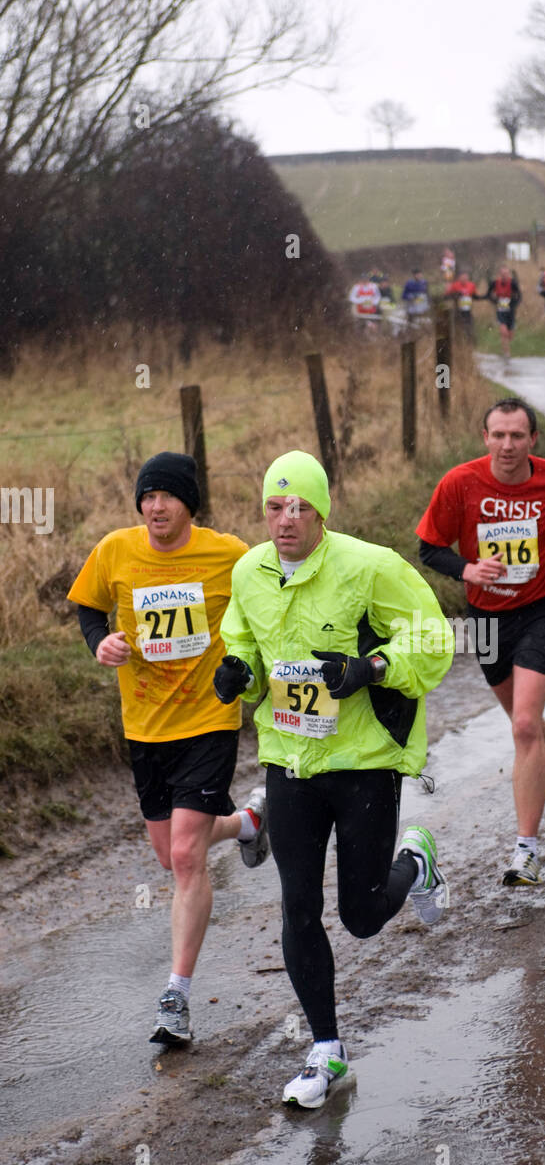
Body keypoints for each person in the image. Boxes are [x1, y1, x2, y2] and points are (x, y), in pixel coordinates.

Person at [217, 451, 454, 1108]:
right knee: (298, 904)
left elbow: (434, 638)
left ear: (323, 512)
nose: (286, 519)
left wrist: (370, 669)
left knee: (362, 914)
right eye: (275, 506)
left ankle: (417, 860)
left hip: (364, 761)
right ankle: (327, 1051)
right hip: (291, 761)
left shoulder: (370, 566)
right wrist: (239, 673)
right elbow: (244, 642)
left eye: (301, 507)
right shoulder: (249, 571)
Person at [67, 452, 268, 1045]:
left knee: (185, 858)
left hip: (208, 718)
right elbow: (88, 606)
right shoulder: (115, 550)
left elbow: (271, 593)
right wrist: (100, 642)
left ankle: (175, 995)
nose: (155, 507)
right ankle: (251, 823)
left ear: (189, 504)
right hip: (145, 726)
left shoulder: (228, 553)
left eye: (167, 497)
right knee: (170, 854)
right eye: (147, 497)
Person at [416, 398, 545, 886]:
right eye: (498, 435)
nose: (507, 445)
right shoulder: (460, 483)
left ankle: (525, 851)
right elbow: (429, 547)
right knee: (528, 724)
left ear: (533, 440)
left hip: (541, 609)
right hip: (487, 619)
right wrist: (467, 568)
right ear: (485, 437)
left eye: (517, 435)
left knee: (523, 727)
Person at [483, 264, 521, 363]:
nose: (504, 276)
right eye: (502, 274)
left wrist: (514, 303)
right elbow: (488, 294)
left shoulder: (513, 283)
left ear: (509, 274)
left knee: (509, 335)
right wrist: (494, 301)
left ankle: (505, 348)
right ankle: (507, 354)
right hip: (500, 312)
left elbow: (519, 295)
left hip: (511, 312)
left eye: (506, 274)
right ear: (500, 274)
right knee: (504, 332)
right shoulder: (495, 283)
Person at [444, 269, 480, 337]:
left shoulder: (471, 285)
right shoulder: (455, 285)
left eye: (466, 277)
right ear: (459, 278)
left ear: (468, 277)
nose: (464, 279)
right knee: (458, 325)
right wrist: (456, 294)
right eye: (462, 277)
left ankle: (469, 340)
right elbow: (447, 296)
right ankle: (458, 339)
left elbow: (476, 296)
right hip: (458, 310)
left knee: (469, 326)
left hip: (468, 310)